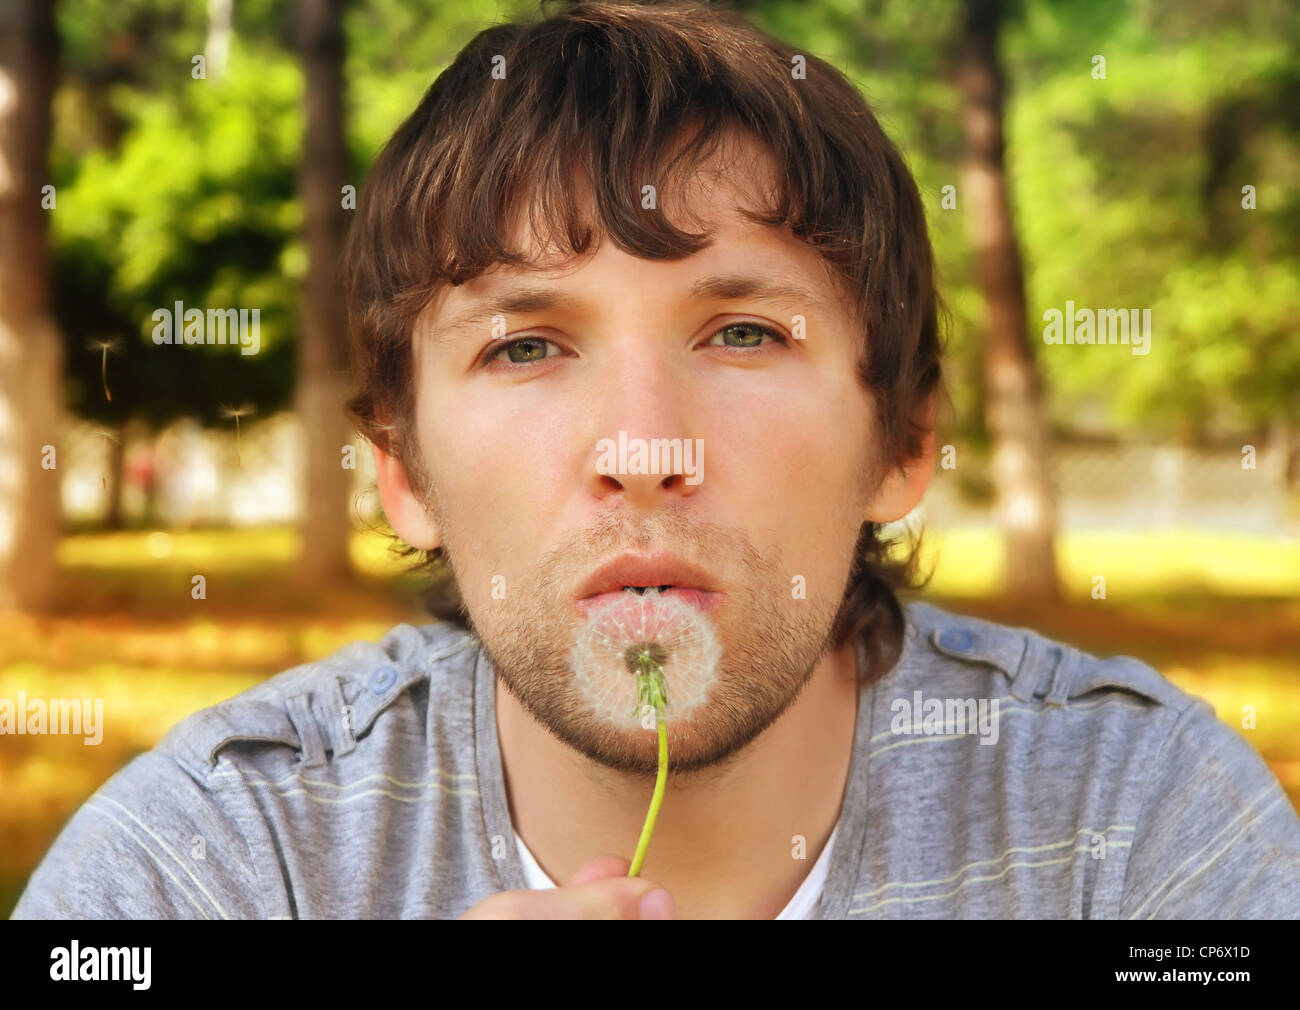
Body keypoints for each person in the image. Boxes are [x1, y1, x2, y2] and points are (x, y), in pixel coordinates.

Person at [14, 0, 1300, 920]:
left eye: (742, 331)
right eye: (525, 347)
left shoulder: (1141, 826)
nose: (643, 448)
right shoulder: (211, 862)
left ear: (904, 439)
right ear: (400, 471)